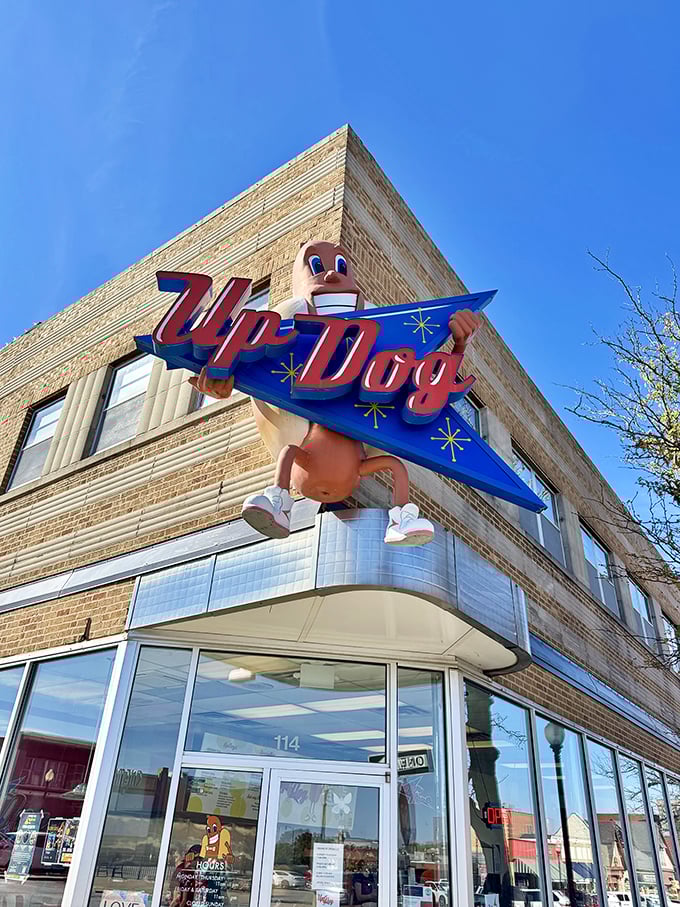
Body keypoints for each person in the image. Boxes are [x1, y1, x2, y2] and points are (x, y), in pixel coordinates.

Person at [189, 239, 480, 545]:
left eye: (340, 266)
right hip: (308, 451)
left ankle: (402, 519)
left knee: (396, 466)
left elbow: (431, 381)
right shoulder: (286, 318)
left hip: (354, 459)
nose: (330, 275)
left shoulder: (381, 330)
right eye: (316, 266)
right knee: (295, 454)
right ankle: (278, 502)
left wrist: (458, 345)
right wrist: (223, 371)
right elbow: (252, 360)